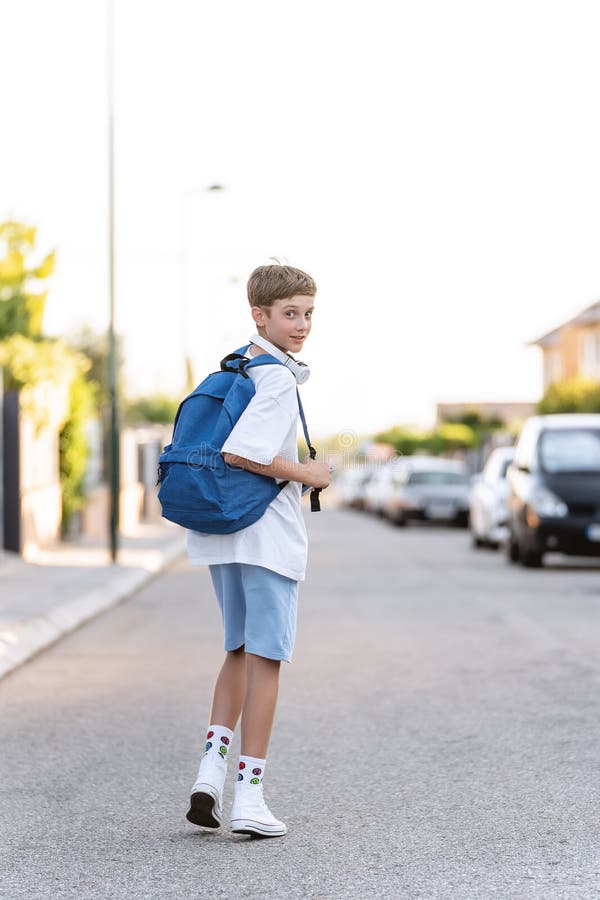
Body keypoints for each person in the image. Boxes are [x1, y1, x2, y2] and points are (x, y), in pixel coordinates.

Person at [185, 263, 331, 838]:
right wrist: (309, 473)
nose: (302, 325)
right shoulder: (274, 378)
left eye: (308, 313)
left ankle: (208, 771)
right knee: (267, 659)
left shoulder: (234, 365)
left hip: (225, 534)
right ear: (259, 315)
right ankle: (249, 798)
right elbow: (243, 453)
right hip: (265, 535)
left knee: (238, 651)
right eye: (290, 314)